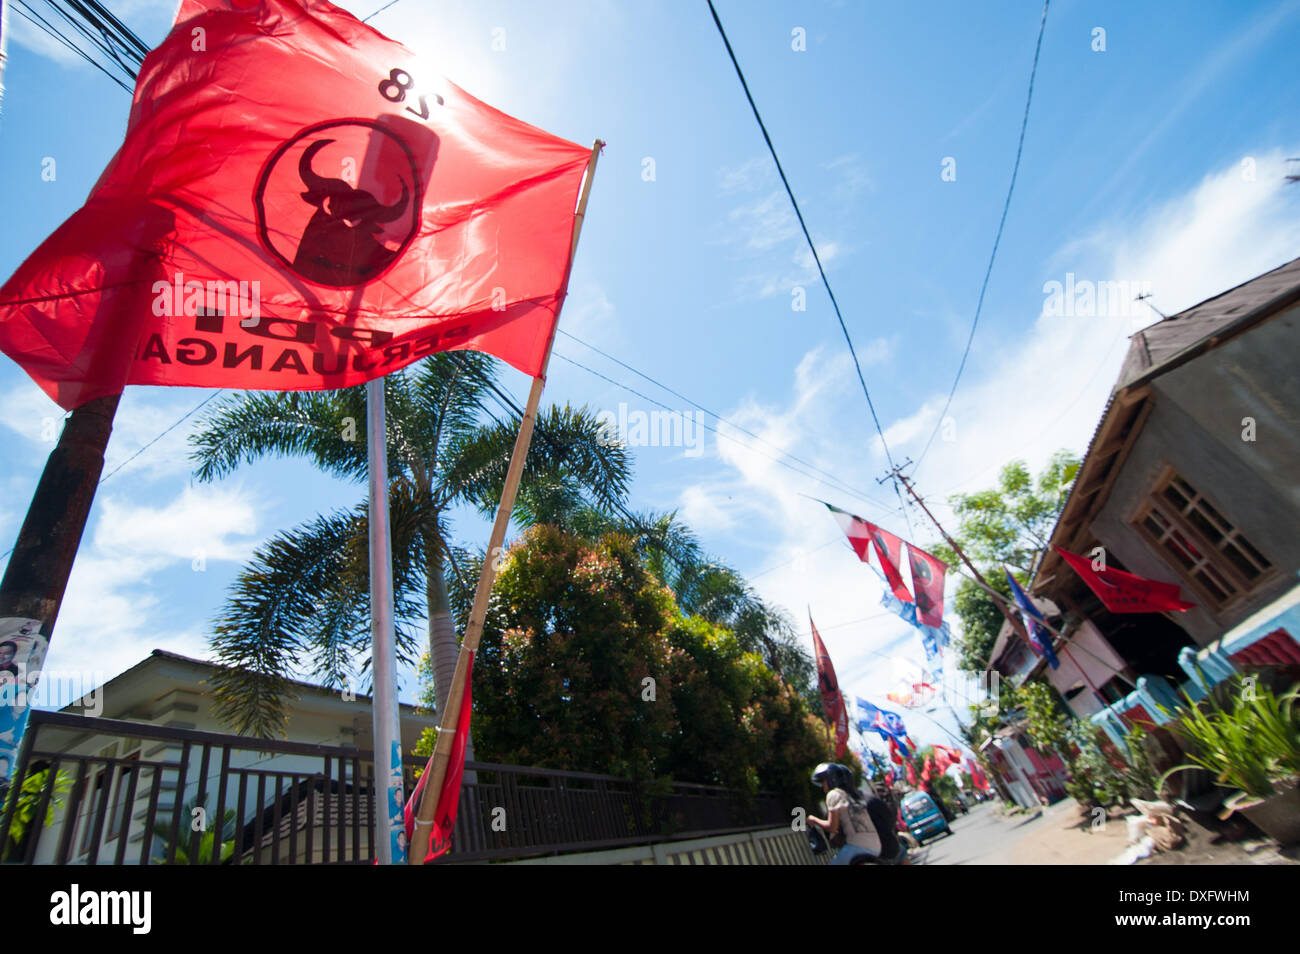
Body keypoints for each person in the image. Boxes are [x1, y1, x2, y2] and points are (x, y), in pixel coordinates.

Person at [807, 763, 904, 865]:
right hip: (877, 847)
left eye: (823, 781)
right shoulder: (856, 796)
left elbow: (832, 827)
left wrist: (814, 820)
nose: (823, 786)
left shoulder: (833, 795)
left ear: (832, 779)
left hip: (856, 848)